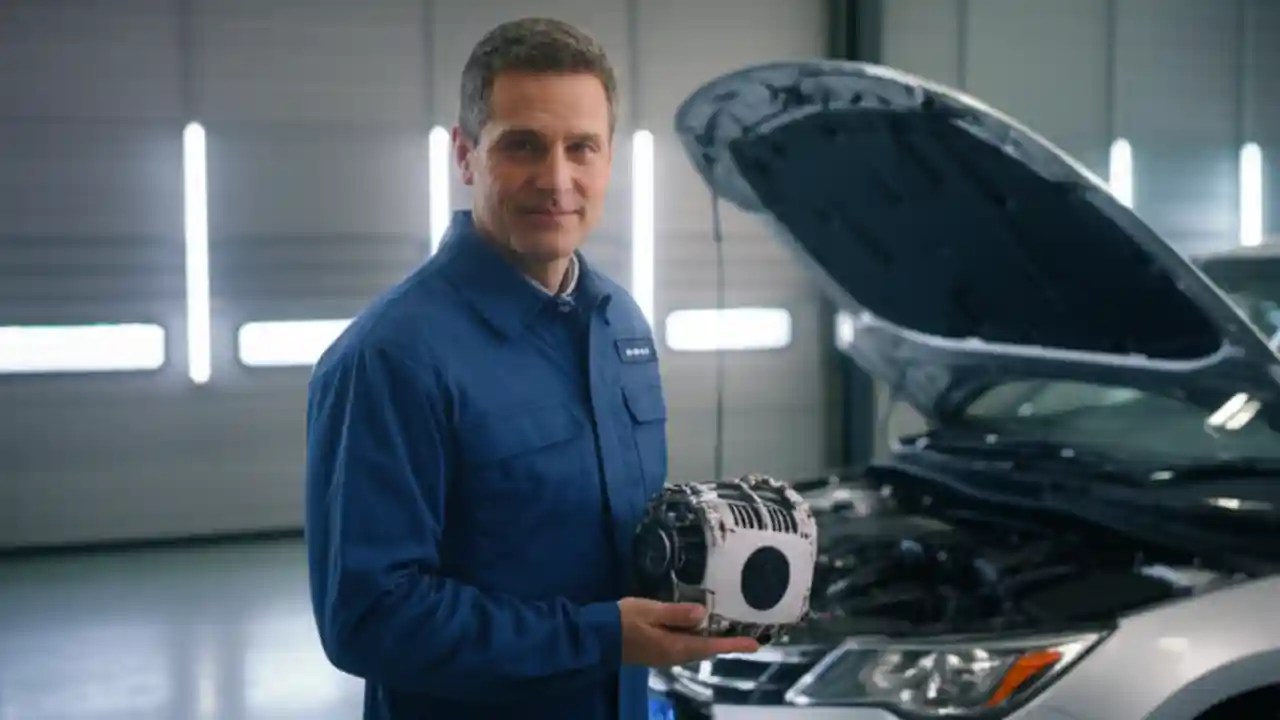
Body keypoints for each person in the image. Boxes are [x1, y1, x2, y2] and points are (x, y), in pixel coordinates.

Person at [303, 16, 759, 720]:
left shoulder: (621, 323)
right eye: (523, 146)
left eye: (582, 147)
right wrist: (602, 636)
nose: (557, 179)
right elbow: (368, 618)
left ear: (609, 160)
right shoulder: (391, 358)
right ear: (465, 156)